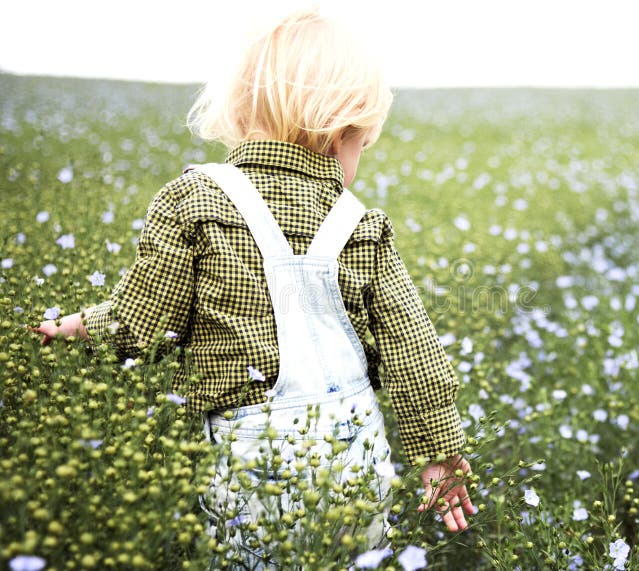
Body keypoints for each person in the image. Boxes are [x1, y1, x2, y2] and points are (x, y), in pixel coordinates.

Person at [33, 6, 475, 564]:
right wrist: (440, 454)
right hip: (358, 468)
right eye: (363, 145)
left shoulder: (195, 200)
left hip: (251, 467)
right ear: (342, 134)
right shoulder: (362, 226)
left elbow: (139, 325)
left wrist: (79, 326)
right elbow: (413, 353)